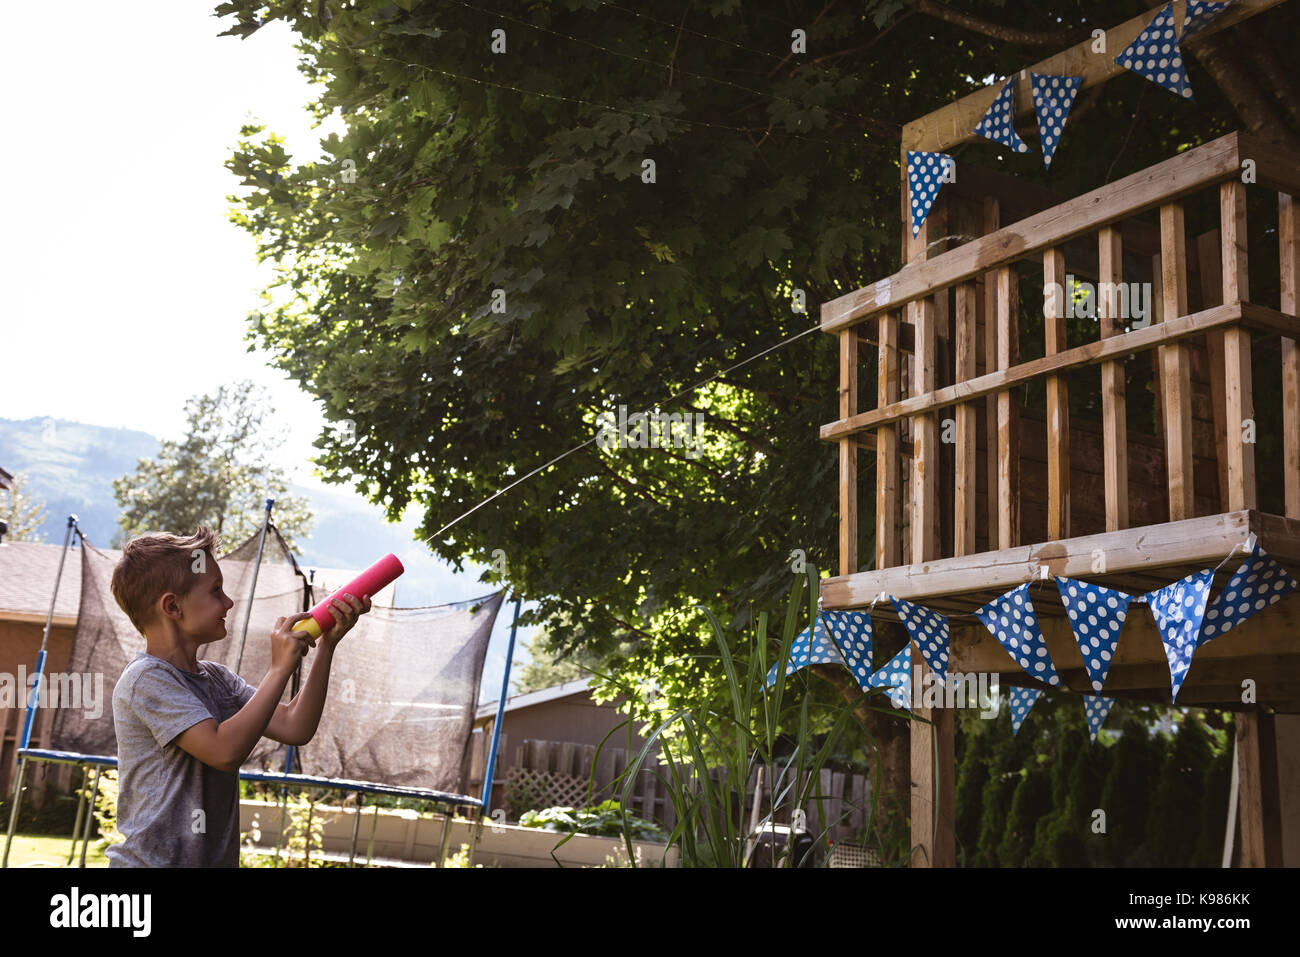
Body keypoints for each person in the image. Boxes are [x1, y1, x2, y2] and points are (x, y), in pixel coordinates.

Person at [105, 527, 370, 867]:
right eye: (216, 591)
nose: (228, 602)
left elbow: (294, 727)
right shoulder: (146, 679)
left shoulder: (217, 679)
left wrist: (327, 646)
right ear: (172, 606)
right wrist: (278, 670)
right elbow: (223, 751)